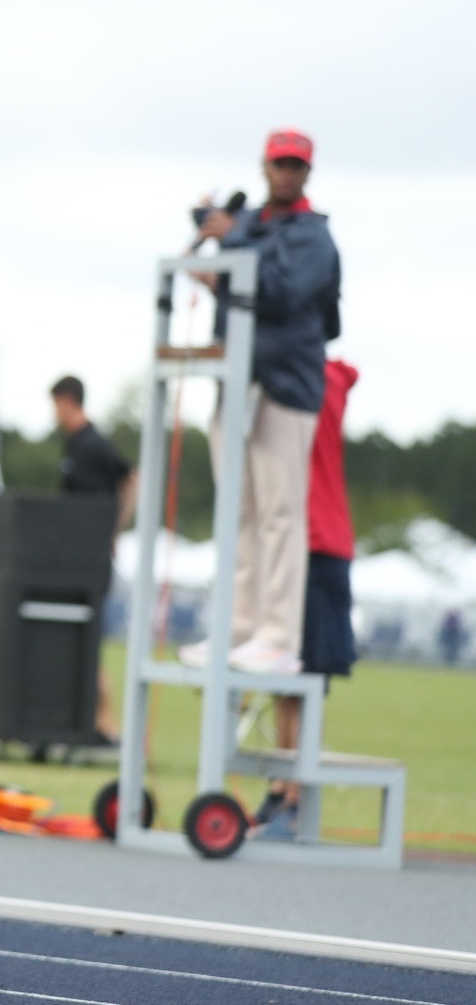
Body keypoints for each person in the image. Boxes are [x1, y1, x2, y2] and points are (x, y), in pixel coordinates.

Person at [182, 128, 341, 675]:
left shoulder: (313, 236)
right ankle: (238, 630)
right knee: (239, 514)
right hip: (237, 381)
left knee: (278, 514)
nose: (288, 172)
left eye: (297, 165)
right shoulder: (250, 223)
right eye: (281, 163)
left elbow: (284, 289)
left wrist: (231, 240)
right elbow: (230, 268)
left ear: (307, 174)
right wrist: (207, 225)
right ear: (265, 166)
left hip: (286, 387)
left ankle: (278, 635)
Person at [254, 357, 359, 840]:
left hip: (319, 542)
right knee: (283, 672)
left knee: (308, 679)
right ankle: (282, 787)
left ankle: (296, 798)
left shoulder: (314, 379)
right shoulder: (323, 373)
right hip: (298, 541)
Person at [49, 374, 133, 744]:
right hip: (74, 558)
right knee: (78, 639)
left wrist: (114, 529)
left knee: (91, 638)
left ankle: (107, 724)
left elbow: (131, 477)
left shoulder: (92, 444)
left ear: (67, 400)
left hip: (92, 560)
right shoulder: (72, 444)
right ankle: (90, 721)